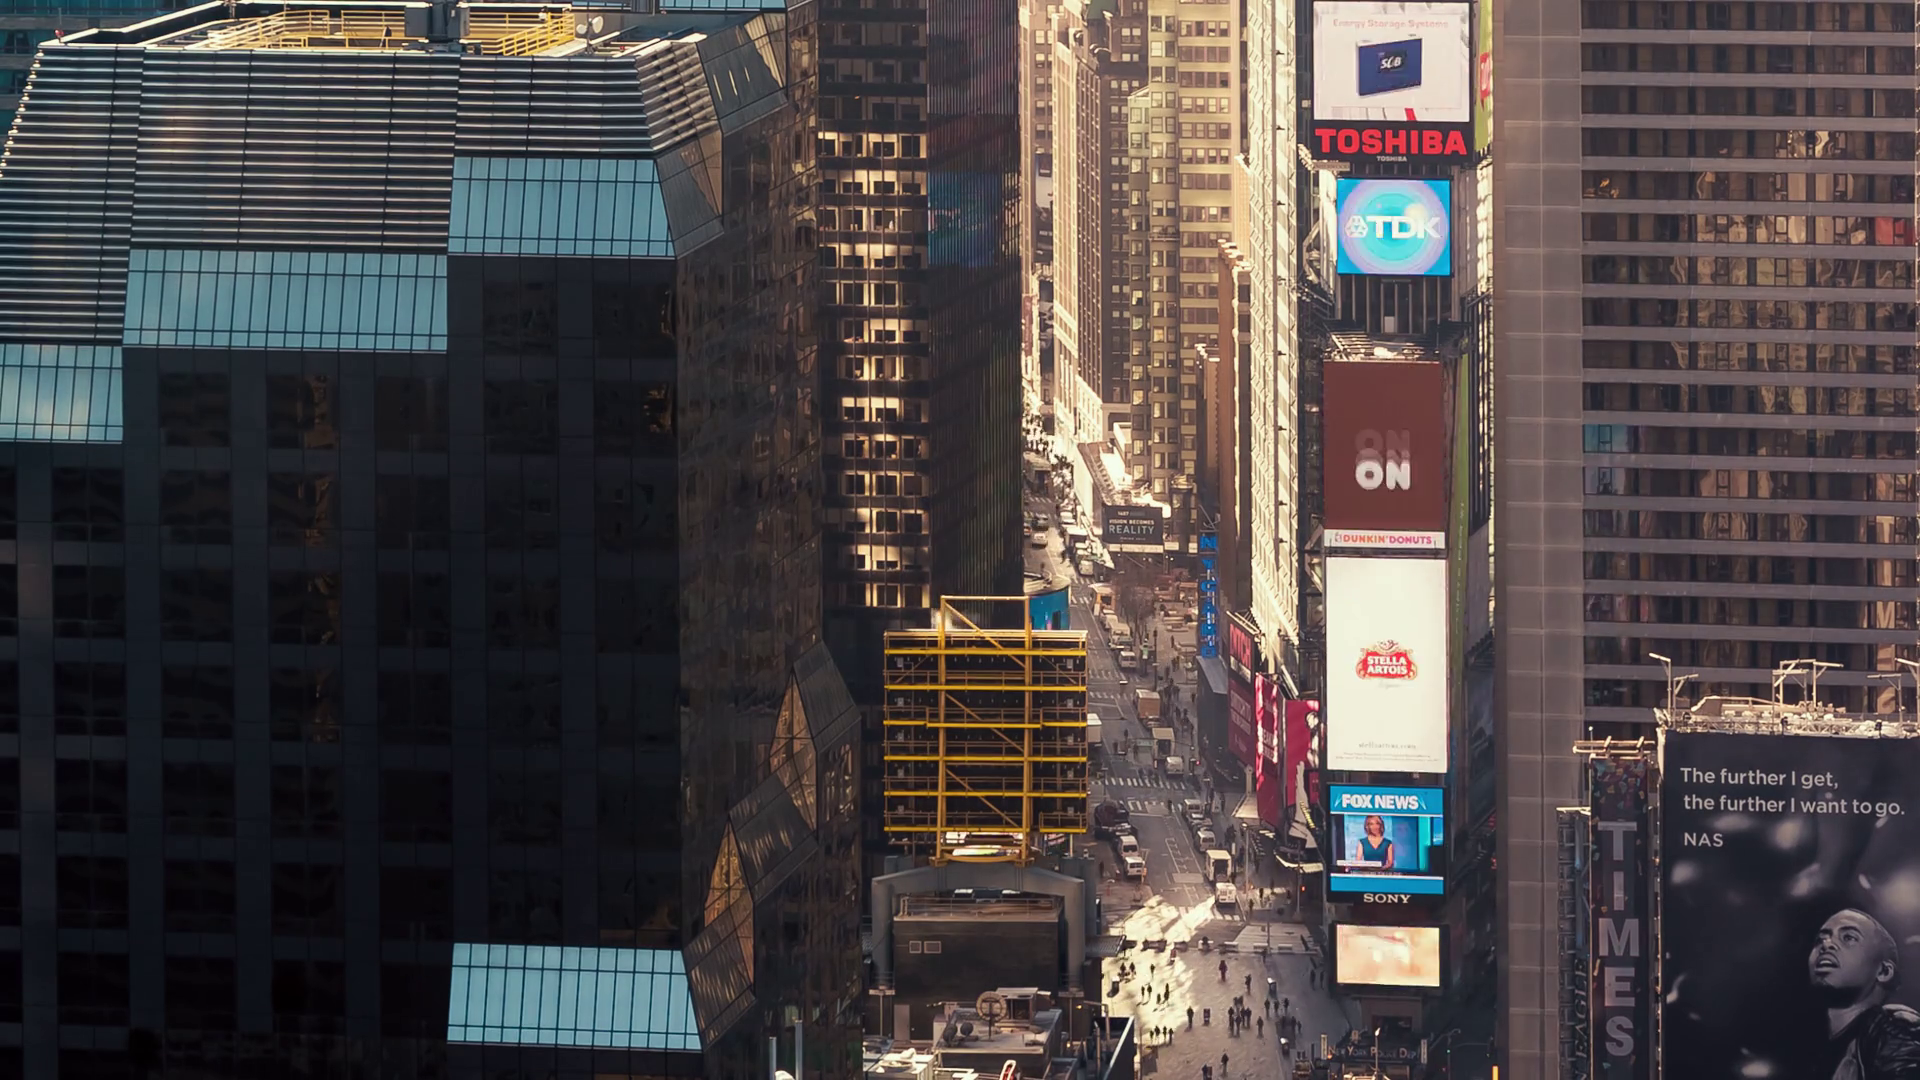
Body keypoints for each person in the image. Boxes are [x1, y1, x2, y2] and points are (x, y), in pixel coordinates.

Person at [1807, 907, 1920, 1080]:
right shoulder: (1815, 1047)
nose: (1826, 944)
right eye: (1820, 939)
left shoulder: (1894, 1031)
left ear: (1883, 971)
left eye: (1849, 937)